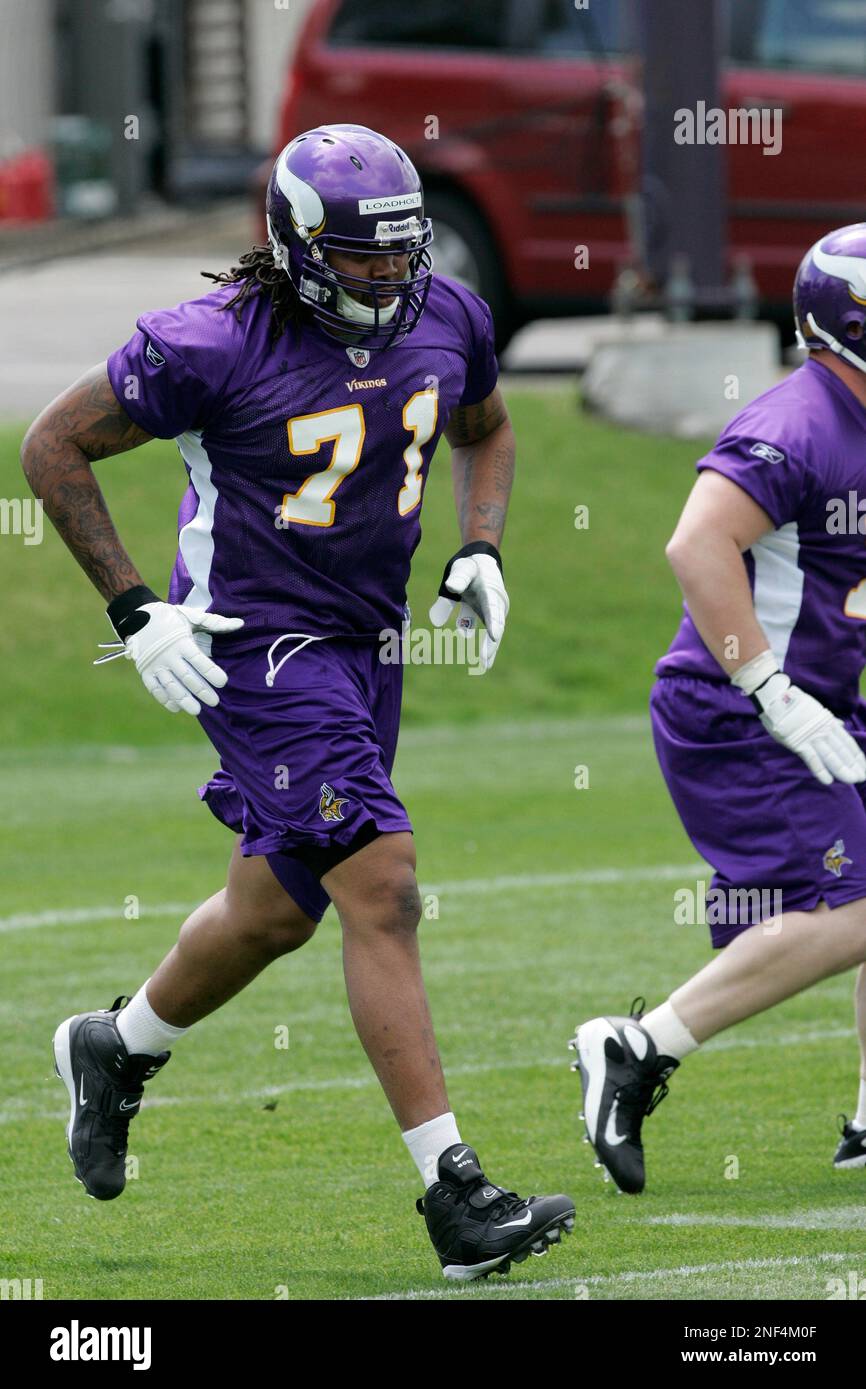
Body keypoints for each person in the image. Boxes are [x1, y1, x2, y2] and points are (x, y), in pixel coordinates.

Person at [23, 124, 574, 1279]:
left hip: (366, 646)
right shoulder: (209, 344)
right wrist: (134, 608)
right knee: (383, 882)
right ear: (294, 245)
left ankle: (115, 1047)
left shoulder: (447, 315)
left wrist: (480, 547)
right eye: (359, 258)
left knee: (279, 908)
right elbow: (52, 447)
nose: (384, 278)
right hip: (257, 644)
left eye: (396, 255)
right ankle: (455, 1196)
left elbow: (486, 423)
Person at [571, 223, 866, 1193]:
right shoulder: (798, 423)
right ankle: (637, 1047)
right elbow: (695, 543)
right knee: (849, 909)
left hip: (816, 699)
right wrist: (768, 688)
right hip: (738, 707)